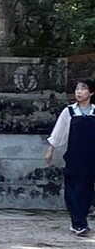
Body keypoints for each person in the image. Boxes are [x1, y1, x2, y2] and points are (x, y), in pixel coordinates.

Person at [45, 78, 95, 236]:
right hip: (74, 156)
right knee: (73, 189)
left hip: (92, 157)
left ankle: (81, 219)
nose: (79, 92)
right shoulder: (70, 111)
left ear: (91, 92)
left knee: (87, 190)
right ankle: (78, 223)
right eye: (77, 89)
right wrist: (50, 149)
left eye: (83, 89)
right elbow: (59, 131)